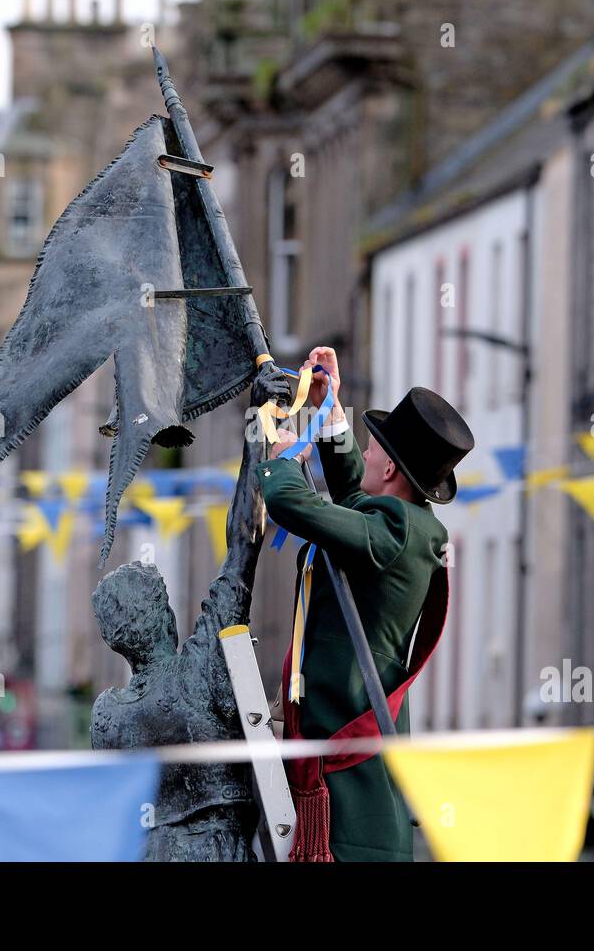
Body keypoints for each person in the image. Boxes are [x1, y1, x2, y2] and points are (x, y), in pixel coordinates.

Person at [258, 346, 474, 861]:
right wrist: (328, 409)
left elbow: (292, 502)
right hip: (342, 756)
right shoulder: (398, 526)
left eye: (374, 447)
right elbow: (356, 496)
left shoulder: (395, 533)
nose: (367, 451)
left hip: (350, 786)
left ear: (394, 472)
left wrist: (285, 459)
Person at [89, 368, 289, 860]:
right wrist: (257, 425)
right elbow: (244, 541)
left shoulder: (107, 719)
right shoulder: (198, 671)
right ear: (164, 618)